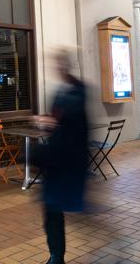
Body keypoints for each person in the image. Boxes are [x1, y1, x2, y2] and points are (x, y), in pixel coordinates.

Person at [39, 50, 89, 264]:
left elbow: (69, 120)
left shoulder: (79, 91)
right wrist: (47, 122)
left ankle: (57, 256)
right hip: (56, 162)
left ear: (66, 66)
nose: (56, 68)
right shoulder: (61, 91)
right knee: (51, 211)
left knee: (54, 208)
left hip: (69, 162)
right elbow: (56, 119)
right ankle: (56, 255)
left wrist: (51, 123)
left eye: (59, 64)